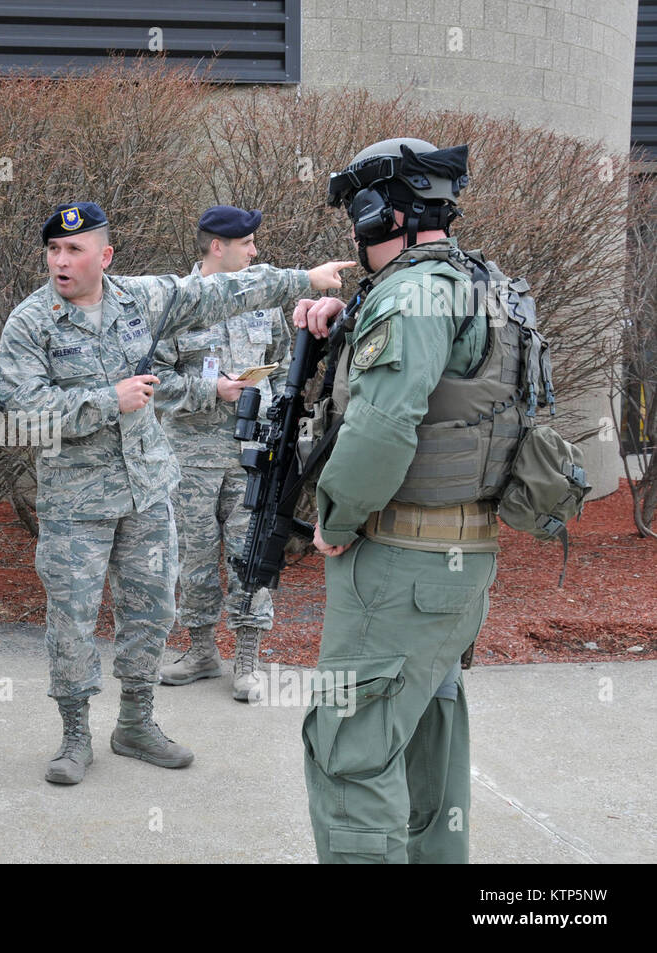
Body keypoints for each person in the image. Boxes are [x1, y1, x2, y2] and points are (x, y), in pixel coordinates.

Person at [0, 202, 352, 785]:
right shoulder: (30, 323)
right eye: (54, 251)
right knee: (72, 619)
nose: (61, 261)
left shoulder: (142, 298)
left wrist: (304, 281)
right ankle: (74, 735)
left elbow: (222, 293)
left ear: (104, 256)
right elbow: (26, 413)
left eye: (75, 250)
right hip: (75, 504)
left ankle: (135, 723)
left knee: (151, 611)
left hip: (149, 491)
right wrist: (109, 399)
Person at [296, 137, 494, 863]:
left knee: (349, 752)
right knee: (424, 747)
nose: (354, 228)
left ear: (383, 214)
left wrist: (336, 516)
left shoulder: (410, 293)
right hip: (457, 559)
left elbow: (382, 427)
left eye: (357, 212)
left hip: (401, 564)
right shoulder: (475, 282)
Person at [155, 205, 296, 701]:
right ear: (218, 246)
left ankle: (248, 661)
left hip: (251, 456)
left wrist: (275, 409)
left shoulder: (264, 300)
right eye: (248, 243)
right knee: (192, 558)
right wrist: (211, 389)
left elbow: (281, 366)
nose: (256, 251)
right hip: (189, 456)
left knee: (250, 553)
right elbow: (152, 383)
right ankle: (200, 652)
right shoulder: (176, 304)